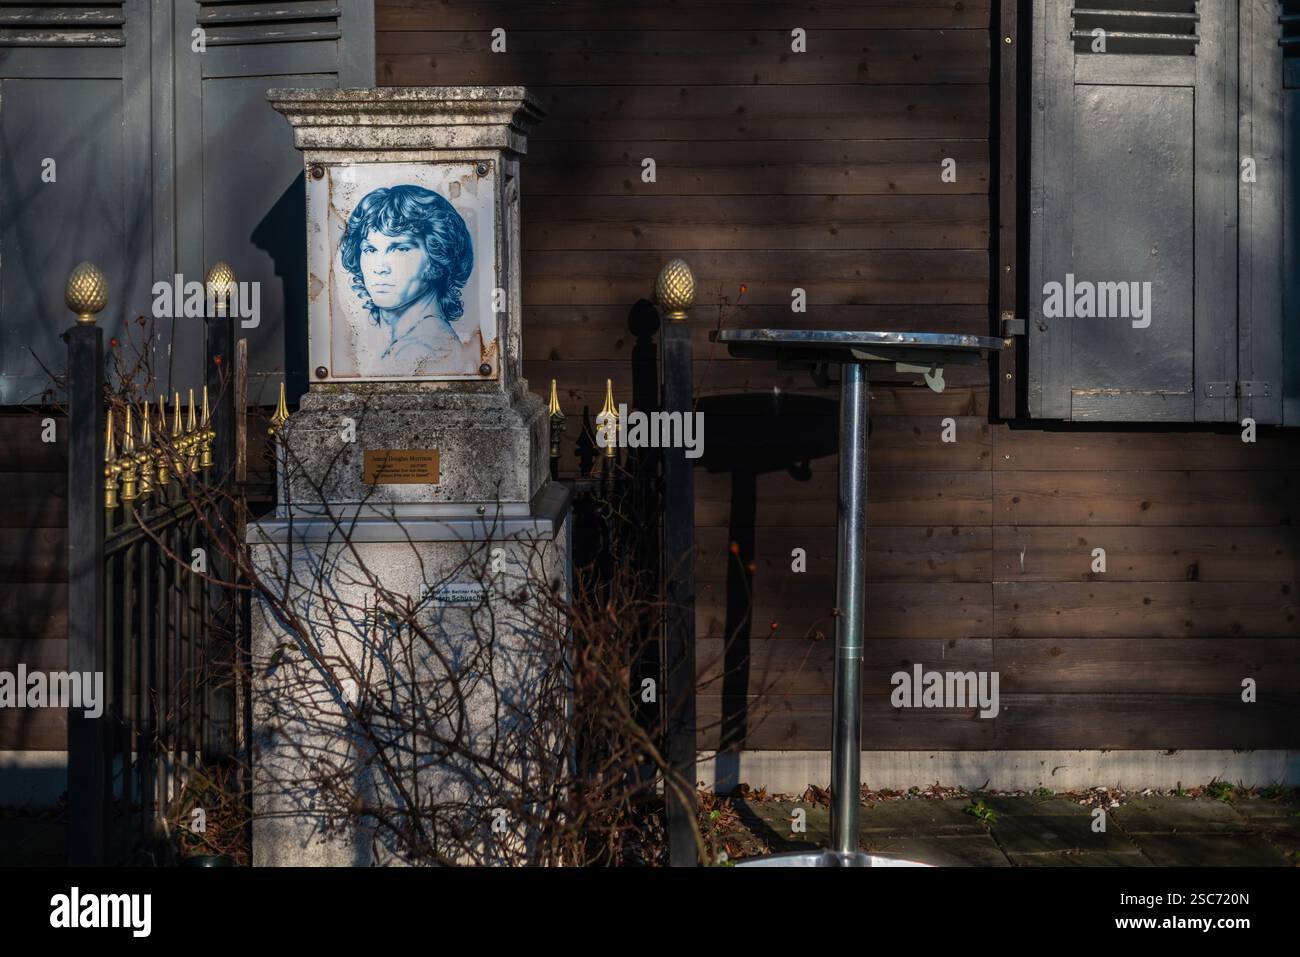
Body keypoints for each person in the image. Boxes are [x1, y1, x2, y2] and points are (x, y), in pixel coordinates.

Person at [338, 184, 481, 376]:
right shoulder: (385, 344)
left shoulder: (430, 351)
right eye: (370, 250)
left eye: (400, 249)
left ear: (437, 256)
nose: (380, 268)